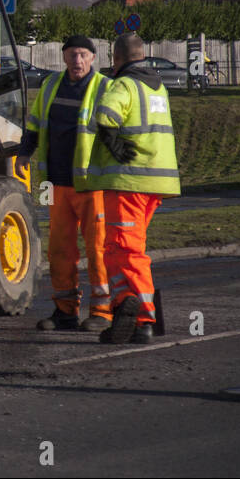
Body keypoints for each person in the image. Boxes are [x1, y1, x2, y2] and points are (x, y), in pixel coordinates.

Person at [76, 32, 181, 344]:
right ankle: (127, 308)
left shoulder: (122, 84)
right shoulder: (157, 86)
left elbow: (105, 115)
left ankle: (142, 317)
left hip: (129, 182)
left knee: (125, 249)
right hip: (156, 182)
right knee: (121, 249)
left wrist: (112, 141)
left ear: (116, 58)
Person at [16, 35, 111, 332]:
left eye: (82, 54)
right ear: (63, 57)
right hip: (54, 183)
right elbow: (35, 123)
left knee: (98, 249)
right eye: (71, 55)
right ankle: (65, 311)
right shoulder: (50, 85)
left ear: (93, 57)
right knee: (59, 249)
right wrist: (24, 151)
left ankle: (102, 312)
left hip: (92, 184)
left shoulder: (105, 88)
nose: (77, 60)